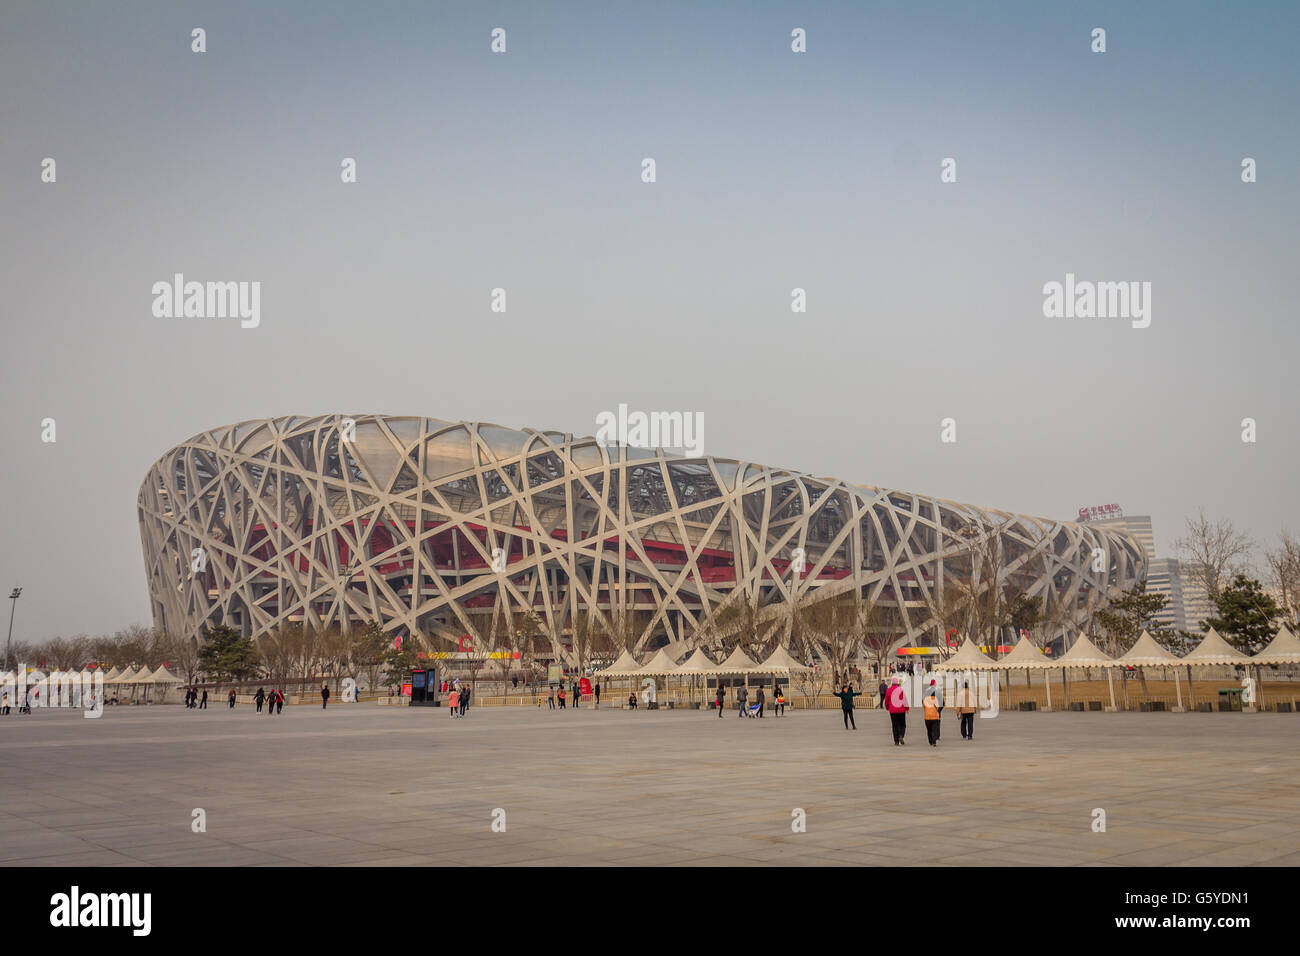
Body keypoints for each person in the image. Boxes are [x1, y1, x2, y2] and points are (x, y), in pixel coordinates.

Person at [886, 677, 909, 745]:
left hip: (892, 711)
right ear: (897, 683)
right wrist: (907, 708)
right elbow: (904, 699)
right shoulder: (900, 690)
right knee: (902, 724)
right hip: (901, 710)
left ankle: (896, 741)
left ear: (892, 683)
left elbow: (887, 700)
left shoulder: (888, 690)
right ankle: (901, 735)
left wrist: (887, 707)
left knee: (894, 725)